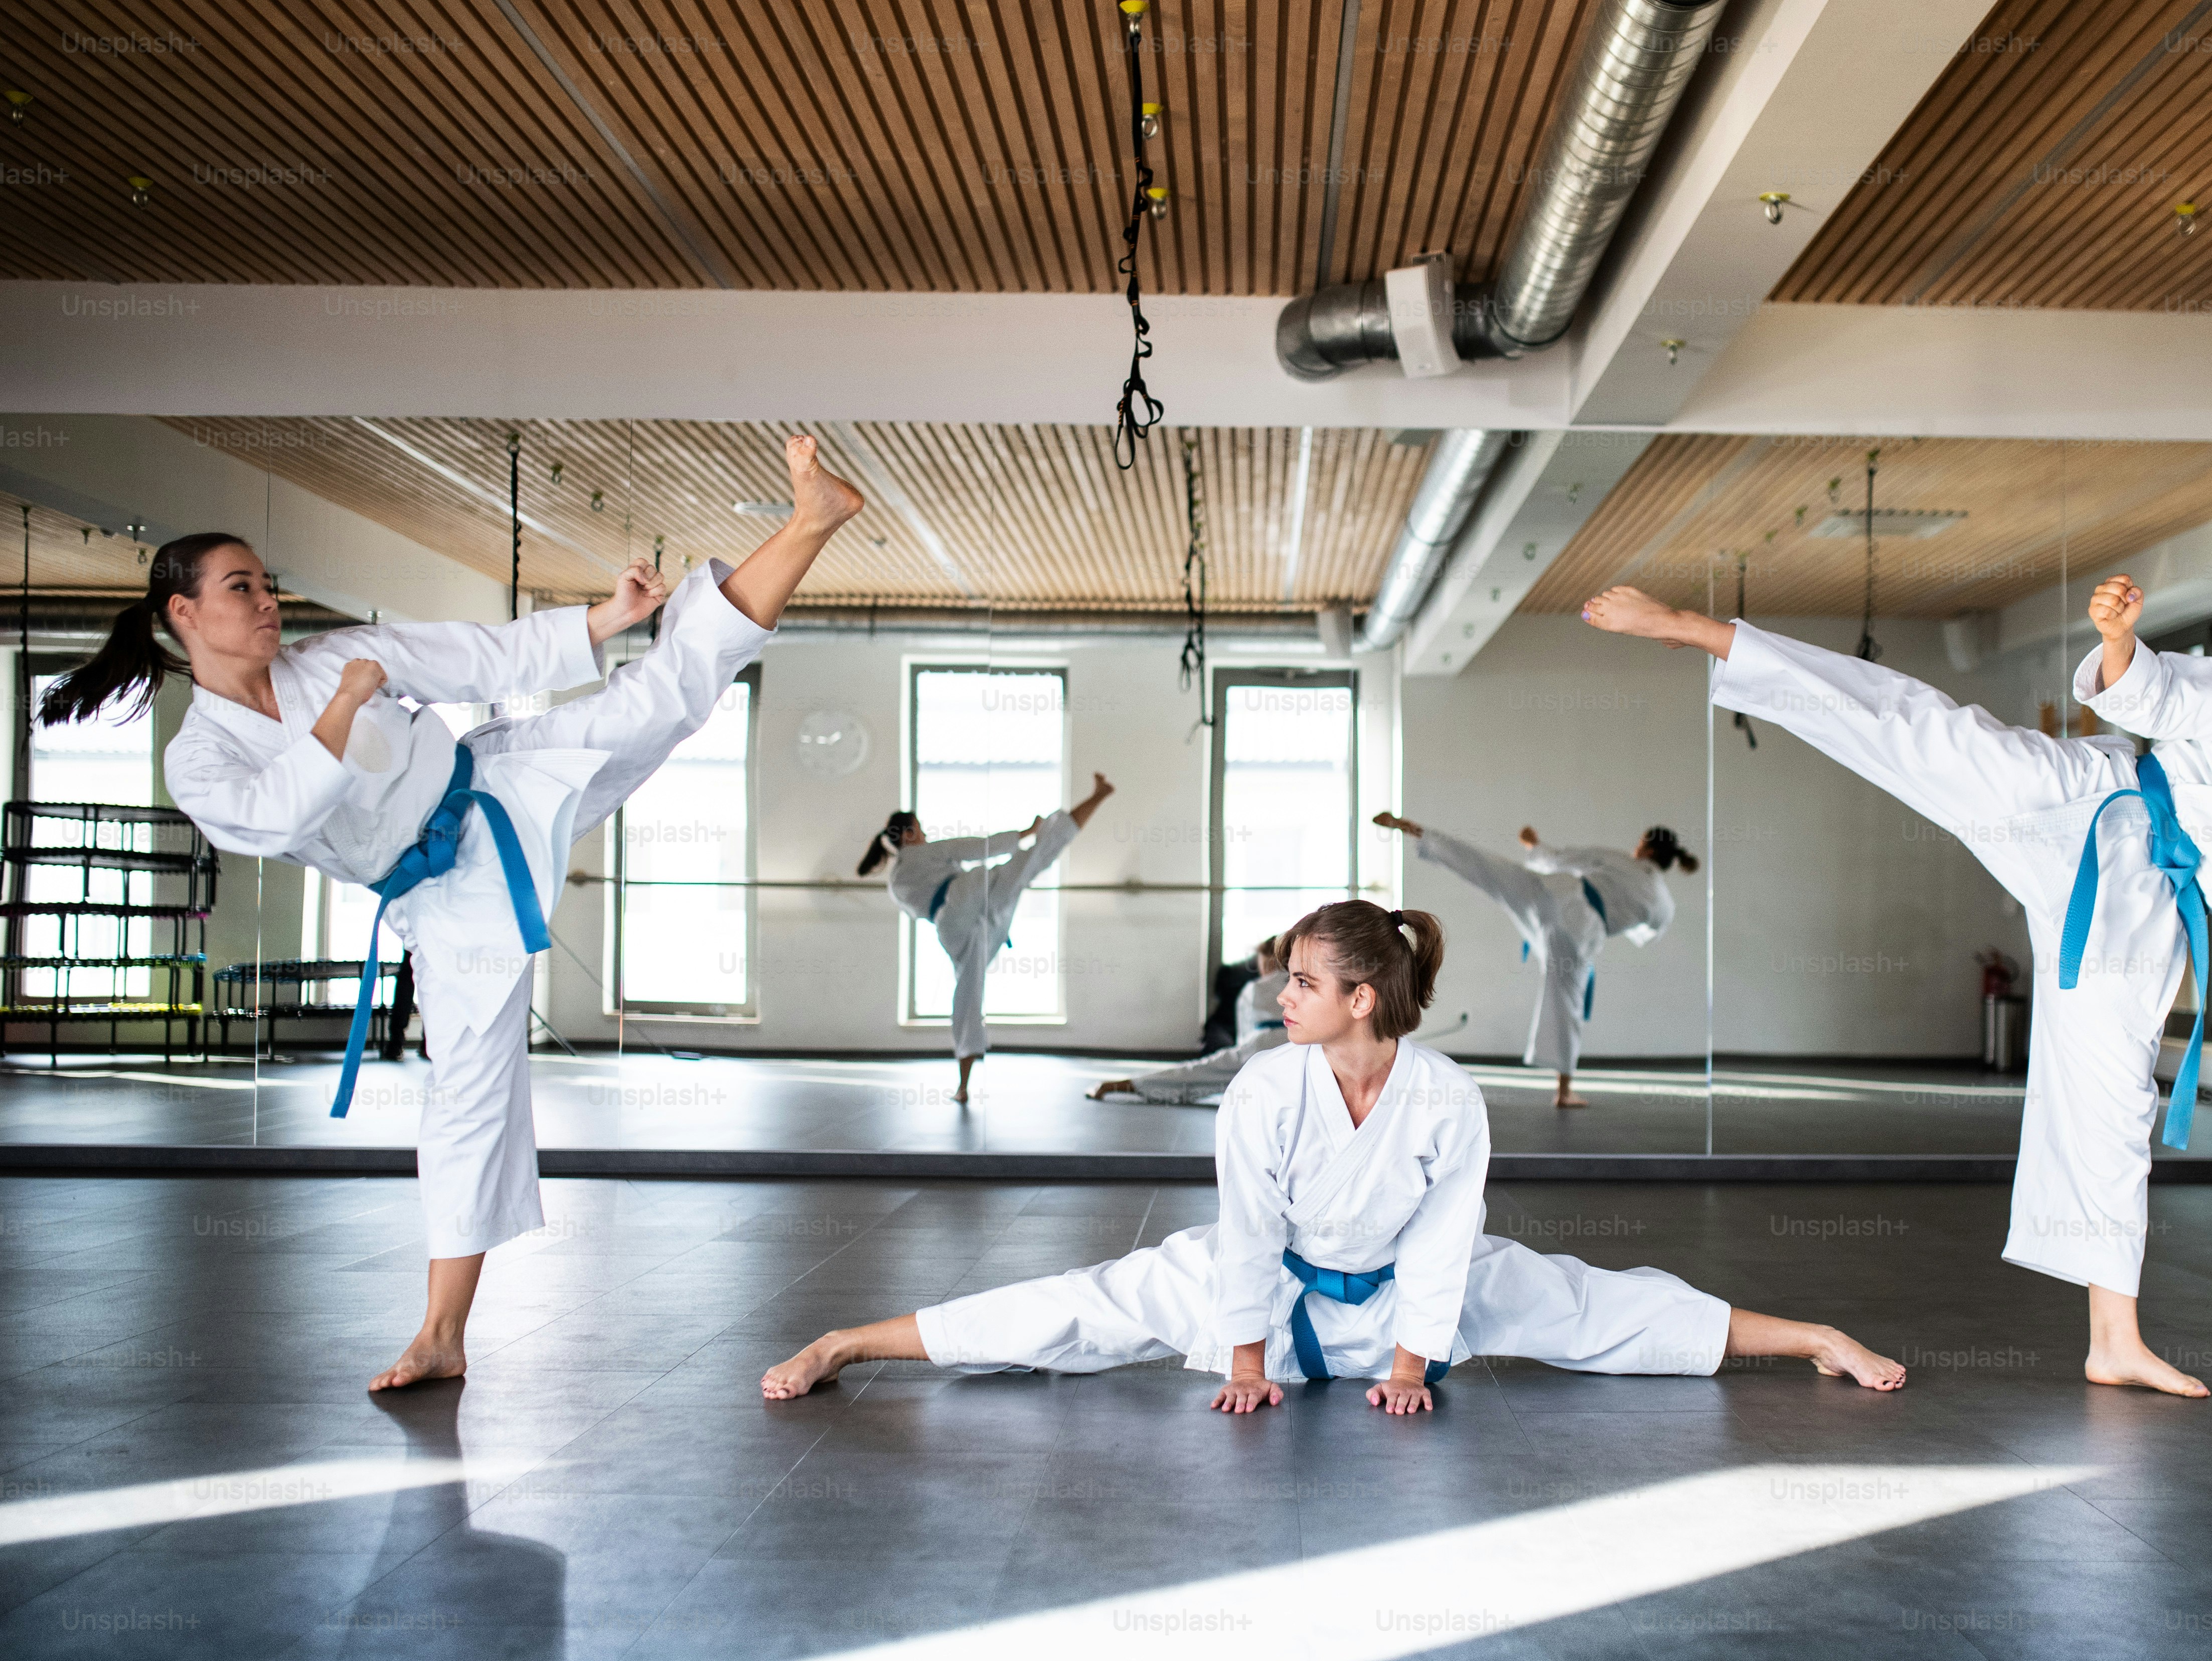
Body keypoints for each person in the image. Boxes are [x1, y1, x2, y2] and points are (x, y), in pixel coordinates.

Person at [44, 435, 867, 1391]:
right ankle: (442, 1334)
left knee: (664, 694)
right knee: (466, 1097)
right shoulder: (201, 758)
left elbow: (475, 655)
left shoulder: (336, 655)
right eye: (241, 588)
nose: (268, 601)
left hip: (501, 784)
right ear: (183, 611)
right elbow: (277, 819)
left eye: (268, 584)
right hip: (445, 902)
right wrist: (345, 709)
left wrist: (605, 618)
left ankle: (813, 518)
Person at [1581, 576, 2212, 1397]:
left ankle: (2116, 1342)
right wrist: (2116, 643)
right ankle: (1706, 634)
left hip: (2142, 912)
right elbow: (2162, 692)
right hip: (2092, 800)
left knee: (2110, 1103)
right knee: (1925, 729)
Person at [762, 900, 1903, 1407]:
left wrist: (1410, 1368)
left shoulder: (1447, 1096)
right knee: (1077, 1310)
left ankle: (1810, 1336)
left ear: (1363, 996)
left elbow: (1449, 1237)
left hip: (1415, 1300)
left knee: (1593, 1307)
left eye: (1303, 981)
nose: (1282, 993)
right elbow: (1251, 1233)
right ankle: (847, 1341)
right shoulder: (1266, 1087)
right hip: (1266, 1298)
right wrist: (1247, 1361)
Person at [1372, 812, 1696, 1107]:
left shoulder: (1621, 861)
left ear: (1649, 850)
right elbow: (1645, 932)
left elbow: (1559, 859)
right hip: (1580, 932)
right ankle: (1564, 1090)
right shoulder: (1665, 905)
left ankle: (1418, 830)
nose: (1635, 850)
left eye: (1639, 846)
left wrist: (1533, 844)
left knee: (1491, 869)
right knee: (1566, 1002)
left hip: (1553, 893)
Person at [858, 775, 1114, 1103]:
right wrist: (1024, 833)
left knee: (968, 995)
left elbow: (924, 909)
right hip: (969, 897)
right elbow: (973, 847)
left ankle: (963, 1086)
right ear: (908, 834)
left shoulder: (895, 883)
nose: (924, 835)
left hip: (955, 927)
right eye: (920, 829)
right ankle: (1083, 807)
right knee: (1035, 855)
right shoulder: (920, 854)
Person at [1089, 935, 1288, 1103]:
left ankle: (1120, 1086)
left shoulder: (1256, 989)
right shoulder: (1303, 983)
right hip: (1300, 1046)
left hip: (1262, 1047)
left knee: (1196, 1074)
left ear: (1270, 959)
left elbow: (1245, 1039)